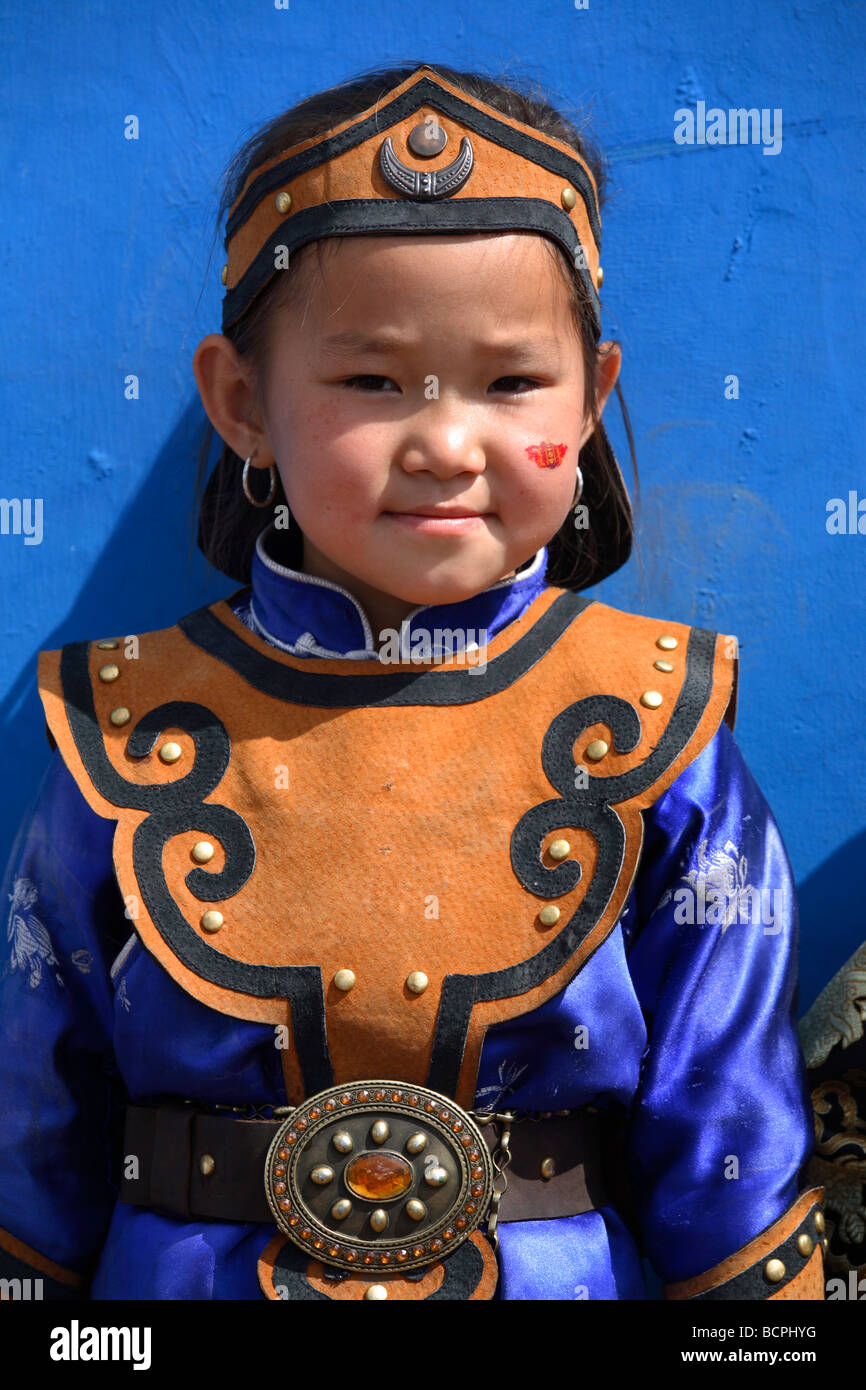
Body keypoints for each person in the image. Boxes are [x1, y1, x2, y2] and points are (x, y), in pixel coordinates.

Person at [0, 61, 823, 1302]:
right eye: (372, 382)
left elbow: (730, 1143)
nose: (445, 441)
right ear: (241, 404)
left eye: (510, 382)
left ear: (592, 400)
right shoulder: (122, 730)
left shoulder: (659, 724)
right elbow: (29, 1128)